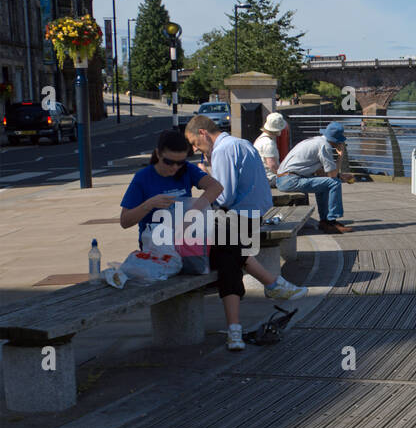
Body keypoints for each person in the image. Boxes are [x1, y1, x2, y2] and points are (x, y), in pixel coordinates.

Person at [184, 114, 308, 352]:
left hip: (237, 217)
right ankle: (272, 286)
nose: (193, 148)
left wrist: (204, 177)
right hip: (253, 216)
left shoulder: (223, 150)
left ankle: (237, 328)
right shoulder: (240, 143)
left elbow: (224, 196)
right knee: (228, 256)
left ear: (203, 133)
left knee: (211, 250)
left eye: (194, 143)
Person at [120, 128, 222, 248]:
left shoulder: (187, 169)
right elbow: (125, 221)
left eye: (180, 162)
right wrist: (149, 204)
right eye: (169, 162)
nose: (175, 167)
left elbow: (216, 187)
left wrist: (192, 212)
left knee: (229, 244)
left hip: (184, 241)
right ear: (158, 154)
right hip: (156, 244)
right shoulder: (143, 177)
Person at [275, 121, 351, 234]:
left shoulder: (315, 141)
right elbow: (332, 175)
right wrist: (340, 156)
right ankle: (331, 221)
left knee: (325, 184)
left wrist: (340, 175)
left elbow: (320, 172)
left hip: (284, 178)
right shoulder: (324, 146)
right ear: (336, 140)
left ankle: (325, 221)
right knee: (334, 183)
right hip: (290, 180)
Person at [254, 112, 288, 186]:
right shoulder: (269, 143)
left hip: (261, 176)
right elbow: (272, 166)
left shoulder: (261, 139)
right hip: (269, 178)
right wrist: (284, 175)